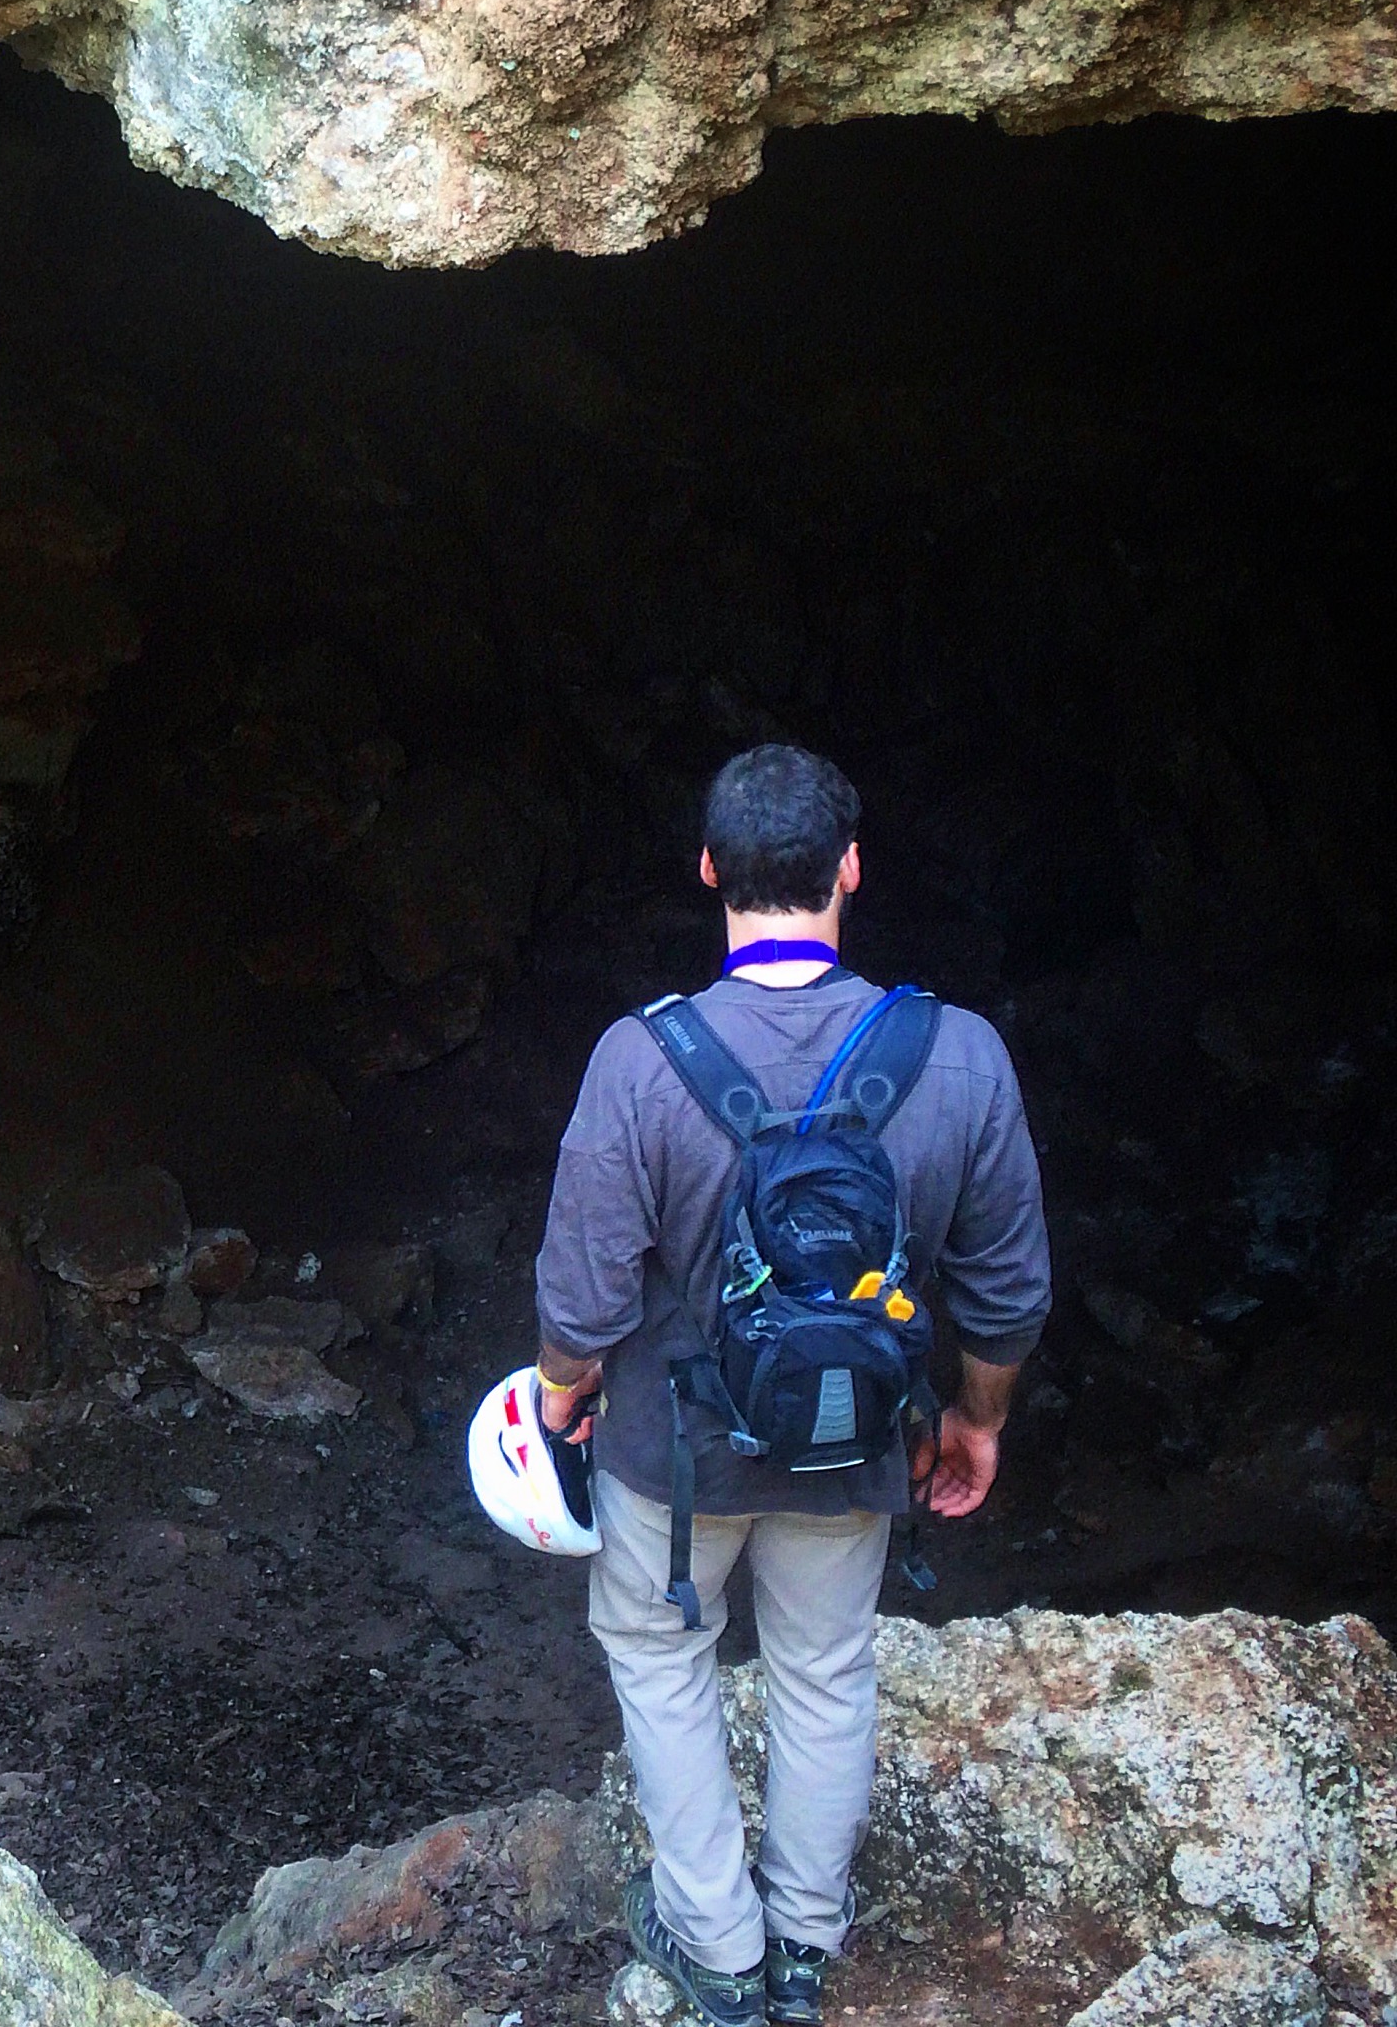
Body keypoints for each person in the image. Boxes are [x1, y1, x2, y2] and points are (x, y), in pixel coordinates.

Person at [533, 746, 1050, 2027]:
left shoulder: (640, 1061)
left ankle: (717, 1946)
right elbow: (1006, 1293)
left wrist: (558, 1399)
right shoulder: (963, 1056)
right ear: (850, 872)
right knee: (826, 1670)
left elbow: (582, 1304)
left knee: (662, 1654)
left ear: (708, 872)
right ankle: (806, 1943)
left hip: (675, 1455)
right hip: (856, 1438)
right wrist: (976, 1421)